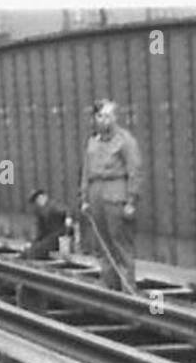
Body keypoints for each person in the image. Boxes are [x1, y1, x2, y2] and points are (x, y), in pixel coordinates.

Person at [80, 99, 142, 292]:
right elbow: (86, 171)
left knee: (120, 243)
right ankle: (110, 287)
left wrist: (131, 200)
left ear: (115, 117)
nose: (104, 120)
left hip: (116, 192)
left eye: (108, 115)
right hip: (96, 193)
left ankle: (127, 288)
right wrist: (84, 198)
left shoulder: (125, 140)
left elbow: (135, 170)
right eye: (100, 116)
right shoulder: (92, 142)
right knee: (103, 244)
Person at [24, 188, 71, 258]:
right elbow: (40, 231)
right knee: (32, 249)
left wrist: (68, 219)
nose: (38, 202)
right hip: (48, 237)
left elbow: (66, 211)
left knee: (37, 250)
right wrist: (32, 243)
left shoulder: (53, 206)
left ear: (44, 197)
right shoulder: (40, 212)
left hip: (58, 237)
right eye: (36, 201)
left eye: (39, 199)